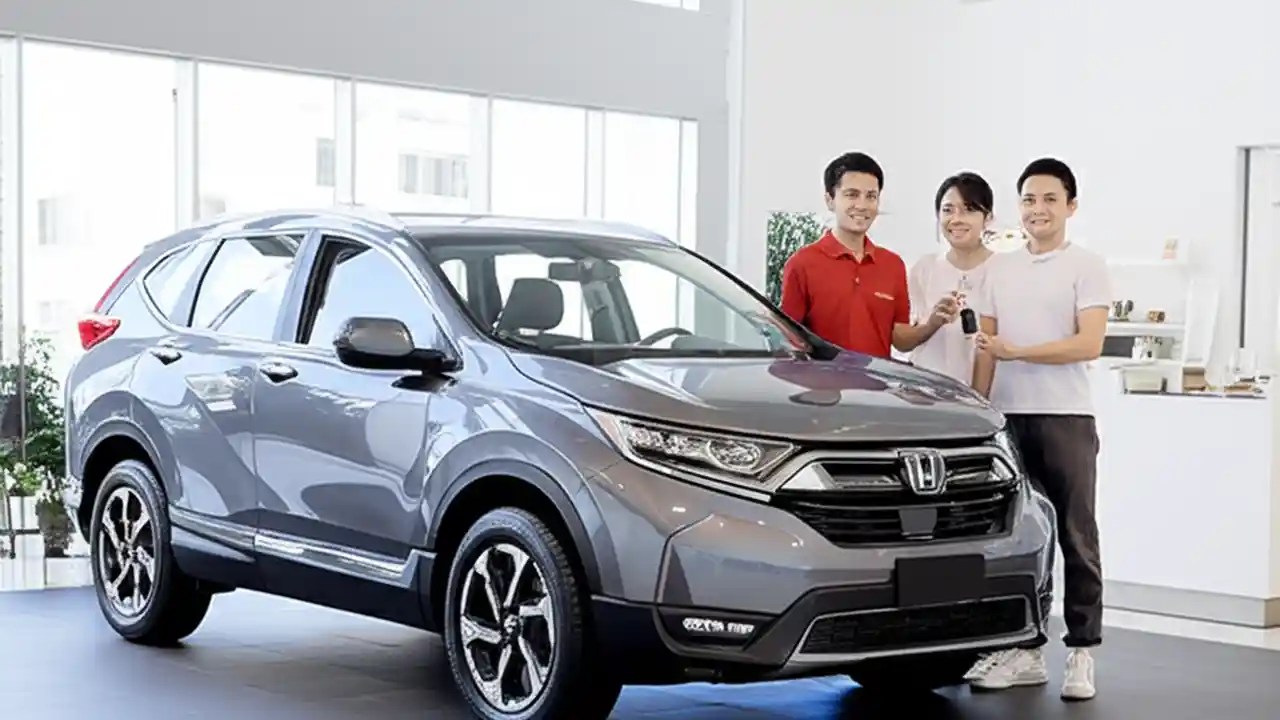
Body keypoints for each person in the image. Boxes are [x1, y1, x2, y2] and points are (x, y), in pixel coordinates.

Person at [967, 157, 1110, 701]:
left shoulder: (1087, 265)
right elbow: (986, 348)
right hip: (1007, 419)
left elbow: (1088, 343)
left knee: (1076, 534)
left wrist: (1018, 352)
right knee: (1016, 539)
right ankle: (1024, 649)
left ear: (1070, 206)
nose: (1038, 209)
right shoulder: (999, 270)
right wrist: (978, 409)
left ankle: (1081, 652)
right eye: (1029, 199)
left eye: (1050, 199)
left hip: (1066, 416)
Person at [780, 152, 957, 359]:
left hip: (876, 389)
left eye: (871, 196)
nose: (862, 205)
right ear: (830, 200)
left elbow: (900, 340)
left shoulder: (892, 265)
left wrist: (932, 323)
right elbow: (788, 343)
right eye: (852, 195)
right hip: (823, 389)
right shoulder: (802, 263)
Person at [906, 172, 996, 383]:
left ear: (988, 218)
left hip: (983, 399)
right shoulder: (924, 268)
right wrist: (932, 323)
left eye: (969, 209)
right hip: (926, 393)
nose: (956, 219)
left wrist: (978, 403)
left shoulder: (1002, 269)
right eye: (948, 210)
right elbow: (905, 337)